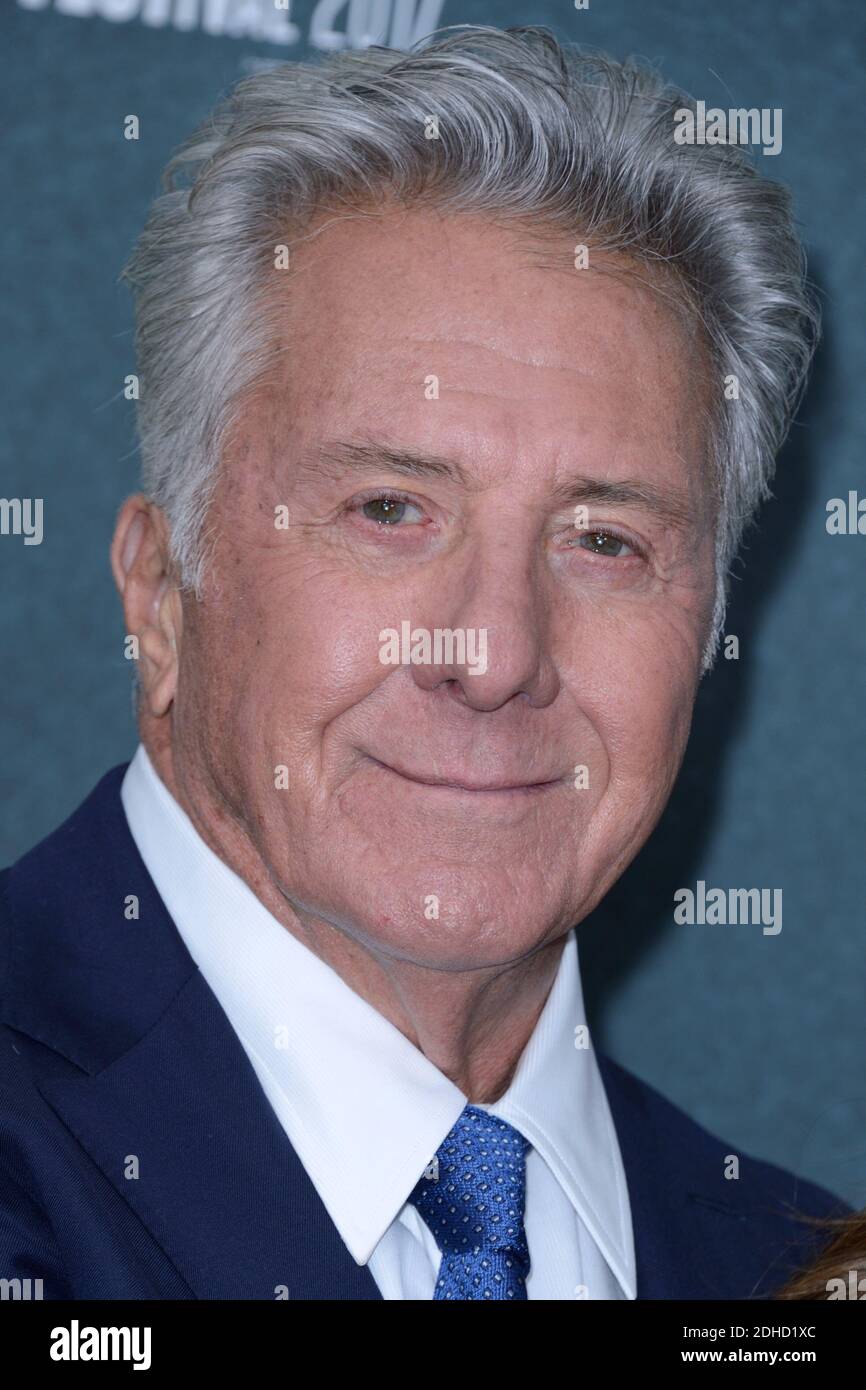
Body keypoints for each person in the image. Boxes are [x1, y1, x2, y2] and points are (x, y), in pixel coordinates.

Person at [0, 25, 849, 1300]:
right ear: (161, 594)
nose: (496, 655)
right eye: (390, 509)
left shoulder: (783, 1269)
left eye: (605, 539)